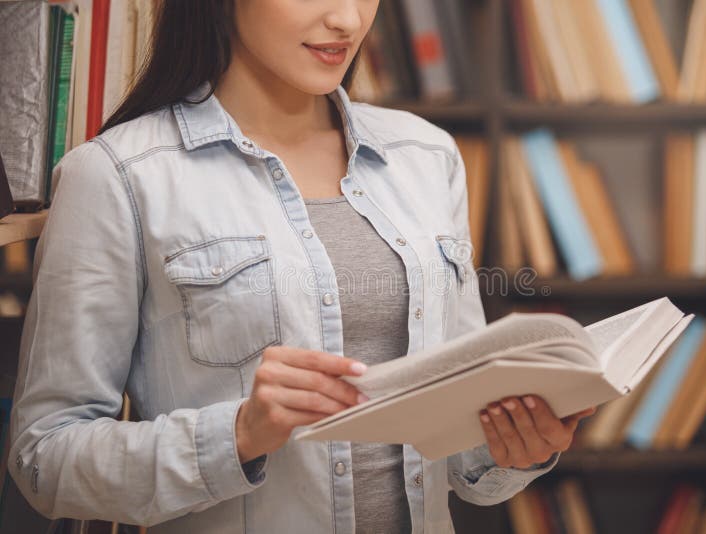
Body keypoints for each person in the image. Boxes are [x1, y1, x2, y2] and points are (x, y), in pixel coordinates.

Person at [9, 1, 594, 532]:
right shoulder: (117, 176)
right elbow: (45, 461)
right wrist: (239, 435)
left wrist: (518, 442)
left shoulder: (427, 156)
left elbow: (465, 456)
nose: (348, 20)